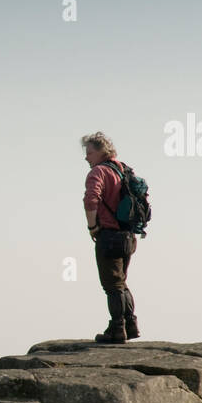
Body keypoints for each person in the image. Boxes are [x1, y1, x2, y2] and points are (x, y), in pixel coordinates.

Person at [81, 132, 140, 344]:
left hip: (109, 235)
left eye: (89, 152)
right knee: (121, 282)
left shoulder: (98, 172)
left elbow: (91, 199)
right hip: (128, 236)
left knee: (112, 285)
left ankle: (117, 330)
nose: (86, 157)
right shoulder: (122, 169)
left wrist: (92, 226)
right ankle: (130, 324)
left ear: (101, 151)